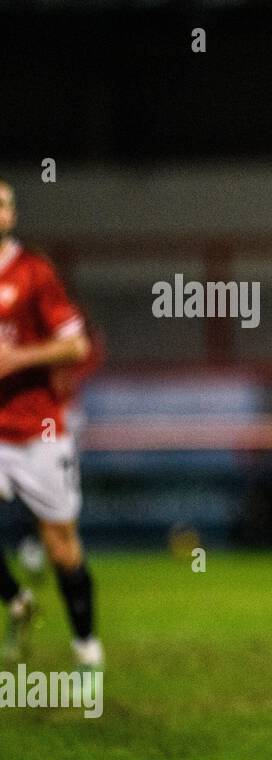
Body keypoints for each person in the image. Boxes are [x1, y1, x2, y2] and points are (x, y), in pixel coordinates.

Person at [0, 178, 103, 670]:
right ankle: (16, 599)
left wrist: (16, 358)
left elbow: (76, 344)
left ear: (12, 215)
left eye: (1, 203)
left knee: (62, 543)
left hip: (38, 430)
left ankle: (86, 648)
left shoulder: (34, 273)